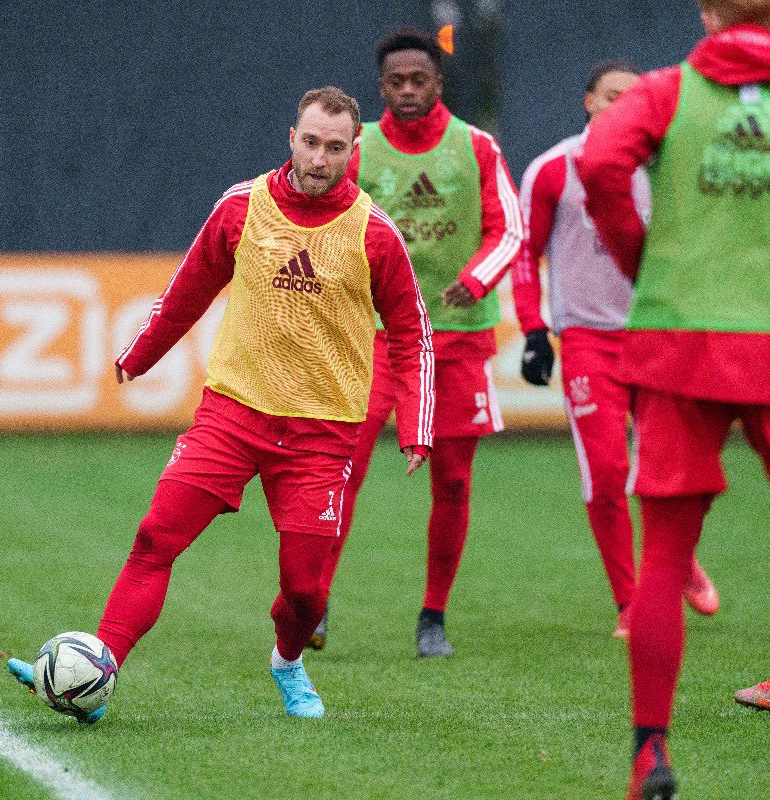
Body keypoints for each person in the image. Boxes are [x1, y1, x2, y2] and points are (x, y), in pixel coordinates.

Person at [7, 86, 435, 721]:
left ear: (355, 151)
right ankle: (97, 671)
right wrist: (139, 354)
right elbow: (187, 291)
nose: (319, 157)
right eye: (310, 142)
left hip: (323, 433)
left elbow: (412, 333)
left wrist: (417, 426)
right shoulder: (242, 207)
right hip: (233, 413)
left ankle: (287, 661)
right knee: (155, 538)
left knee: (306, 594)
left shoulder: (375, 234)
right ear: (291, 138)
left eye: (334, 147)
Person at [574, 4, 770, 797]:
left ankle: (649, 751)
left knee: (663, 558)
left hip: (680, 340)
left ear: (708, 12)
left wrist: (640, 257)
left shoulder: (664, 91)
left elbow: (599, 165)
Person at [310, 28, 523, 657]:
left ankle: (434, 615)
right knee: (343, 468)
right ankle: (314, 600)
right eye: (395, 81)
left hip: (457, 339)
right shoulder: (361, 147)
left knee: (453, 481)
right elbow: (322, 219)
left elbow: (507, 229)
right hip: (372, 337)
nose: (407, 90)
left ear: (438, 82)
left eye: (418, 79)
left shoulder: (477, 147)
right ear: (381, 87)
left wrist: (474, 277)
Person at [514, 61, 719, 639]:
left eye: (632, 98)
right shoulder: (554, 168)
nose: (621, 107)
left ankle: (679, 561)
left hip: (657, 335)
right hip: (587, 341)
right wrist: (534, 329)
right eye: (610, 97)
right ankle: (629, 601)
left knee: (671, 469)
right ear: (587, 102)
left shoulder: (668, 166)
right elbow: (526, 251)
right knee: (607, 470)